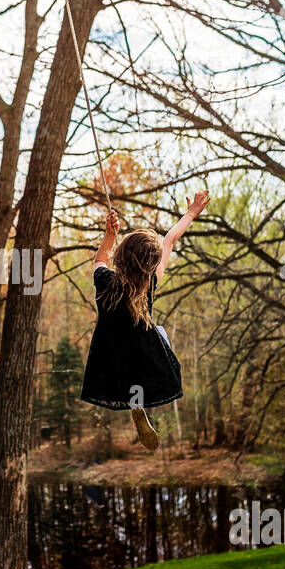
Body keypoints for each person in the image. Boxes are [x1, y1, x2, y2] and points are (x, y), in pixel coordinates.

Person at [79, 192, 209, 450]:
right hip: (145, 353)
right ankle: (138, 403)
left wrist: (109, 236)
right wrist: (192, 213)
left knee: (128, 357)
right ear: (150, 265)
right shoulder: (148, 283)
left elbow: (99, 260)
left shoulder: (105, 282)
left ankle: (136, 402)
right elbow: (170, 240)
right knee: (158, 331)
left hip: (111, 354)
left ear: (122, 255)